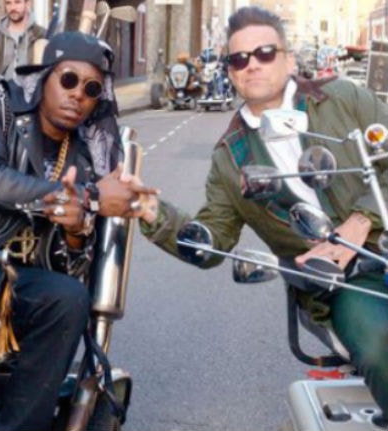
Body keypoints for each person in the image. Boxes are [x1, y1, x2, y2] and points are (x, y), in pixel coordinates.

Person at [136, 6, 388, 426]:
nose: (251, 64)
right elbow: (212, 240)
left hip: (380, 239)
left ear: (288, 60)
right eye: (239, 58)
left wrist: (361, 221)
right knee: (383, 345)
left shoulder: (344, 99)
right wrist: (148, 211)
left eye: (265, 53)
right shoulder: (230, 156)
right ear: (230, 72)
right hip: (345, 282)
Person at [0, 31, 155, 431]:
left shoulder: (82, 157)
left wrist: (77, 232)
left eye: (92, 88)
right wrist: (91, 197)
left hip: (4, 285)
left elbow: (72, 267)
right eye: (68, 79)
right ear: (45, 77)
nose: (78, 93)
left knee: (67, 298)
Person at [0, 0, 45, 80]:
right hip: (1, 87)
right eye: (8, 3)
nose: (13, 8)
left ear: (27, 4)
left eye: (17, 2)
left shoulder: (40, 35)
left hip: (31, 87)